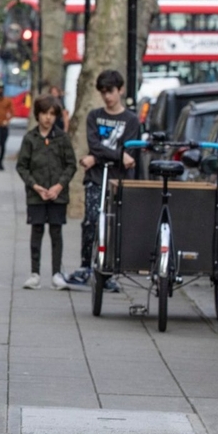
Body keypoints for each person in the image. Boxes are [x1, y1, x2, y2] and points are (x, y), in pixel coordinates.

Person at [67, 70, 140, 289]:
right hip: (97, 178)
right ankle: (85, 265)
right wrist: (116, 155)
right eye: (103, 92)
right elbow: (96, 145)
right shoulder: (94, 116)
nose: (107, 96)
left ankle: (109, 269)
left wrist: (96, 157)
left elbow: (130, 154)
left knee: (114, 224)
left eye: (111, 91)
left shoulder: (131, 120)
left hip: (118, 180)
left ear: (121, 90)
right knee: (91, 219)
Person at [16, 96, 76, 290]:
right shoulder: (30, 139)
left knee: (56, 232)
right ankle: (35, 272)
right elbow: (22, 166)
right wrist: (35, 186)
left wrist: (59, 186)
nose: (48, 118)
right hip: (36, 195)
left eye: (52, 114)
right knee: (37, 231)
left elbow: (71, 165)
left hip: (58, 195)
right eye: (44, 113)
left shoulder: (62, 138)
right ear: (37, 115)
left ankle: (57, 273)